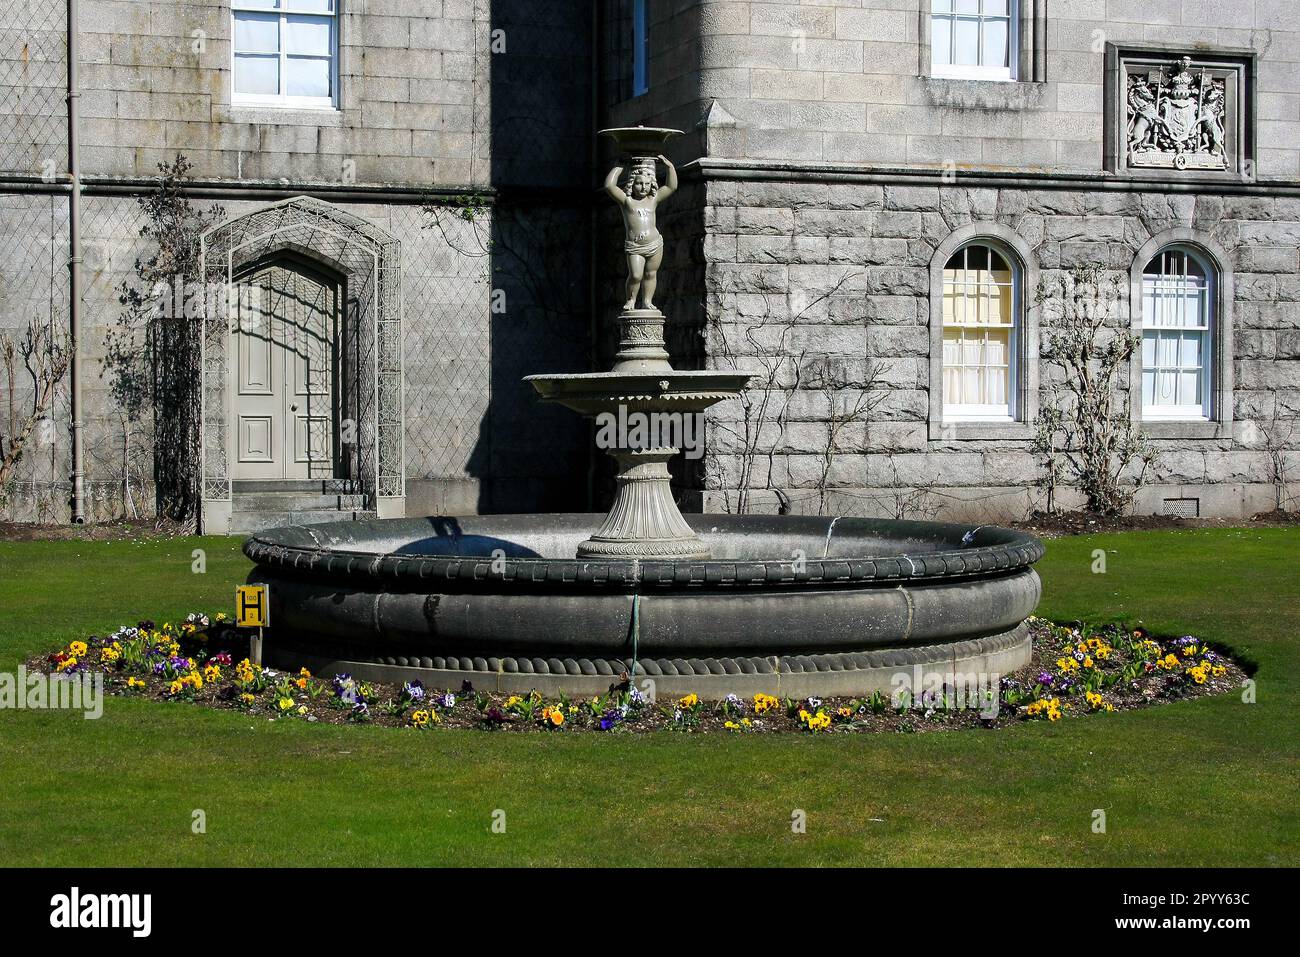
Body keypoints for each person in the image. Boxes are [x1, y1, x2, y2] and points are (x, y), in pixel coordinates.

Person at [605, 154, 677, 311]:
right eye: (639, 183)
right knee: (636, 275)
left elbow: (671, 187)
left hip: (655, 243)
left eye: (646, 183)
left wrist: (669, 166)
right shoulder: (627, 201)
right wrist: (619, 166)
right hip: (635, 246)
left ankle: (647, 301)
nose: (643, 187)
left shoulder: (653, 200)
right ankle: (631, 300)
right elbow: (609, 187)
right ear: (632, 184)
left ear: (651, 184)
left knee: (651, 274)